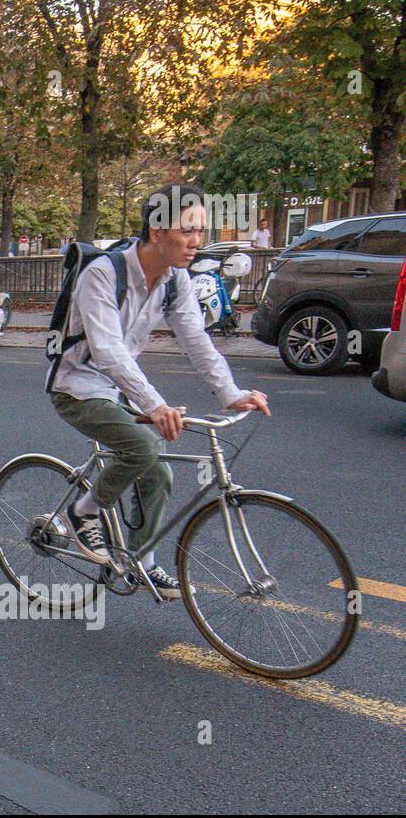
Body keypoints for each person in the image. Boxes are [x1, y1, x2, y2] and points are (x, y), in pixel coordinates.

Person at [48, 184, 271, 597]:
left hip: (118, 387)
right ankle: (86, 510)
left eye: (201, 231)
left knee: (160, 474)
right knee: (144, 447)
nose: (196, 242)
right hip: (78, 385)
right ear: (156, 231)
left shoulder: (175, 280)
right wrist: (156, 404)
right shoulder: (103, 274)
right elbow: (108, 351)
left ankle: (140, 564)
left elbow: (197, 341)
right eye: (187, 230)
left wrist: (230, 393)